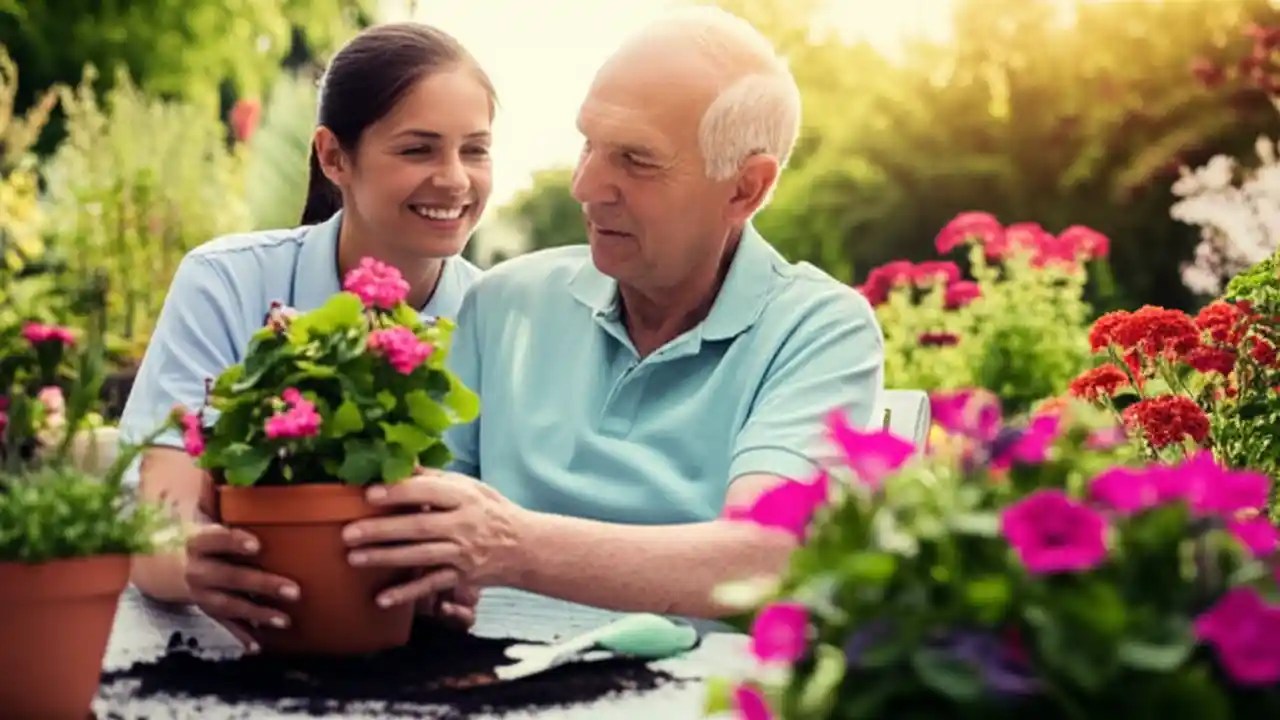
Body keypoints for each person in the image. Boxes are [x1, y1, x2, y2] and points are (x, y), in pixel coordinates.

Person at [336, 8, 885, 619]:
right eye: (589, 144)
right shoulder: (504, 302)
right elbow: (413, 514)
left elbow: (768, 555)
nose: (586, 185)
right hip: (477, 685)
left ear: (744, 189)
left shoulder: (818, 330)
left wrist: (514, 547)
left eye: (636, 160)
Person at [118, 22, 495, 649]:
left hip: (424, 658)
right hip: (240, 653)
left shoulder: (499, 316)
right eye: (418, 149)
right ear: (333, 156)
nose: (455, 179)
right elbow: (158, 519)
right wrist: (193, 562)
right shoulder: (226, 281)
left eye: (475, 150)